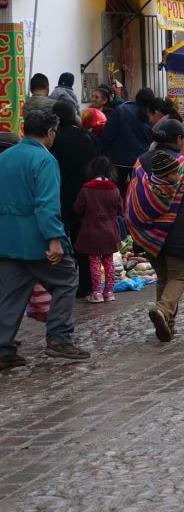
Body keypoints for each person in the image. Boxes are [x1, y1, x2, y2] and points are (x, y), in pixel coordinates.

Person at [0, 108, 91, 368]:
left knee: (11, 294)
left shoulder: (5, 157)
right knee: (66, 279)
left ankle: (3, 347)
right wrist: (54, 239)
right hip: (36, 238)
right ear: (50, 133)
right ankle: (59, 338)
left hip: (7, 238)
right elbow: (47, 203)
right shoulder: (44, 159)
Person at [127, 125, 184, 342]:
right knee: (179, 277)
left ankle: (168, 326)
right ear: (178, 139)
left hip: (150, 234)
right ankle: (163, 311)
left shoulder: (140, 162)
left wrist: (137, 237)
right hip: (179, 231)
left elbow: (132, 196)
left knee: (164, 278)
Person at [49, 99, 99, 296]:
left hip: (63, 194)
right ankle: (86, 284)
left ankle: (60, 282)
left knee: (60, 237)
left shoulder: (57, 139)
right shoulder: (87, 136)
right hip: (87, 194)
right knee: (83, 239)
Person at [73, 156, 122, 303]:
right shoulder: (114, 188)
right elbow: (120, 209)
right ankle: (109, 291)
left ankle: (96, 292)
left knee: (94, 262)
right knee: (109, 262)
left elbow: (78, 208)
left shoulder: (87, 188)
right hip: (110, 231)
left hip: (92, 231)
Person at [99, 87, 155, 193]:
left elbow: (108, 134)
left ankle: (118, 209)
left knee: (116, 190)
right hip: (140, 161)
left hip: (118, 159)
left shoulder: (121, 109)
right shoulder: (150, 115)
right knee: (138, 192)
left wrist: (101, 151)